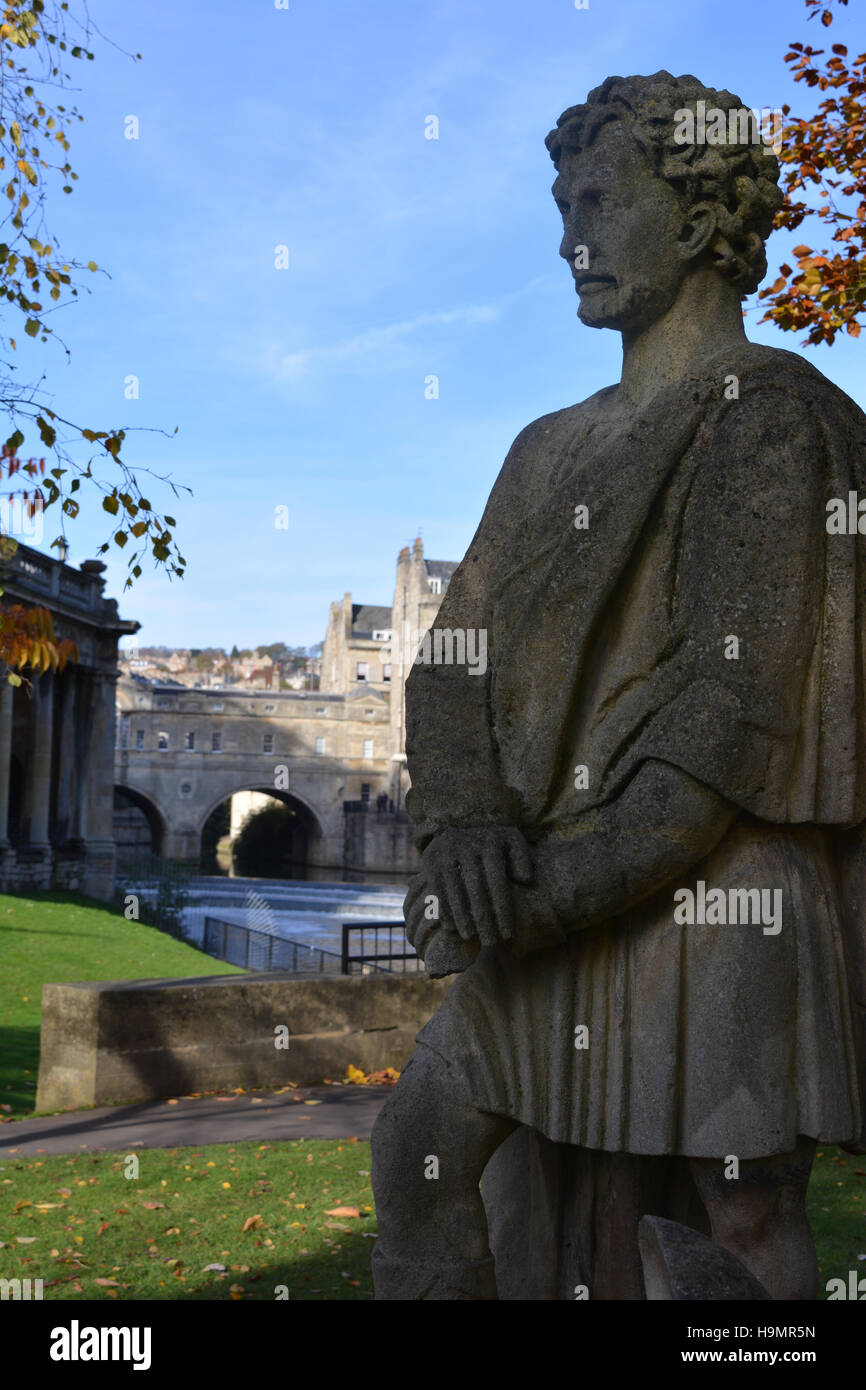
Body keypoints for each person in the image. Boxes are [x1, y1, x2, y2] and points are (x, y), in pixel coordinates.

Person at [371, 71, 866, 1301]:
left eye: (596, 197)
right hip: (541, 889)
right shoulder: (546, 445)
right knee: (420, 1149)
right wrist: (470, 818)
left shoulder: (771, 417)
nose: (565, 235)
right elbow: (450, 661)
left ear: (701, 219)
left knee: (739, 1210)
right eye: (558, 202)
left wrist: (540, 893)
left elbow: (727, 708)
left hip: (712, 902)